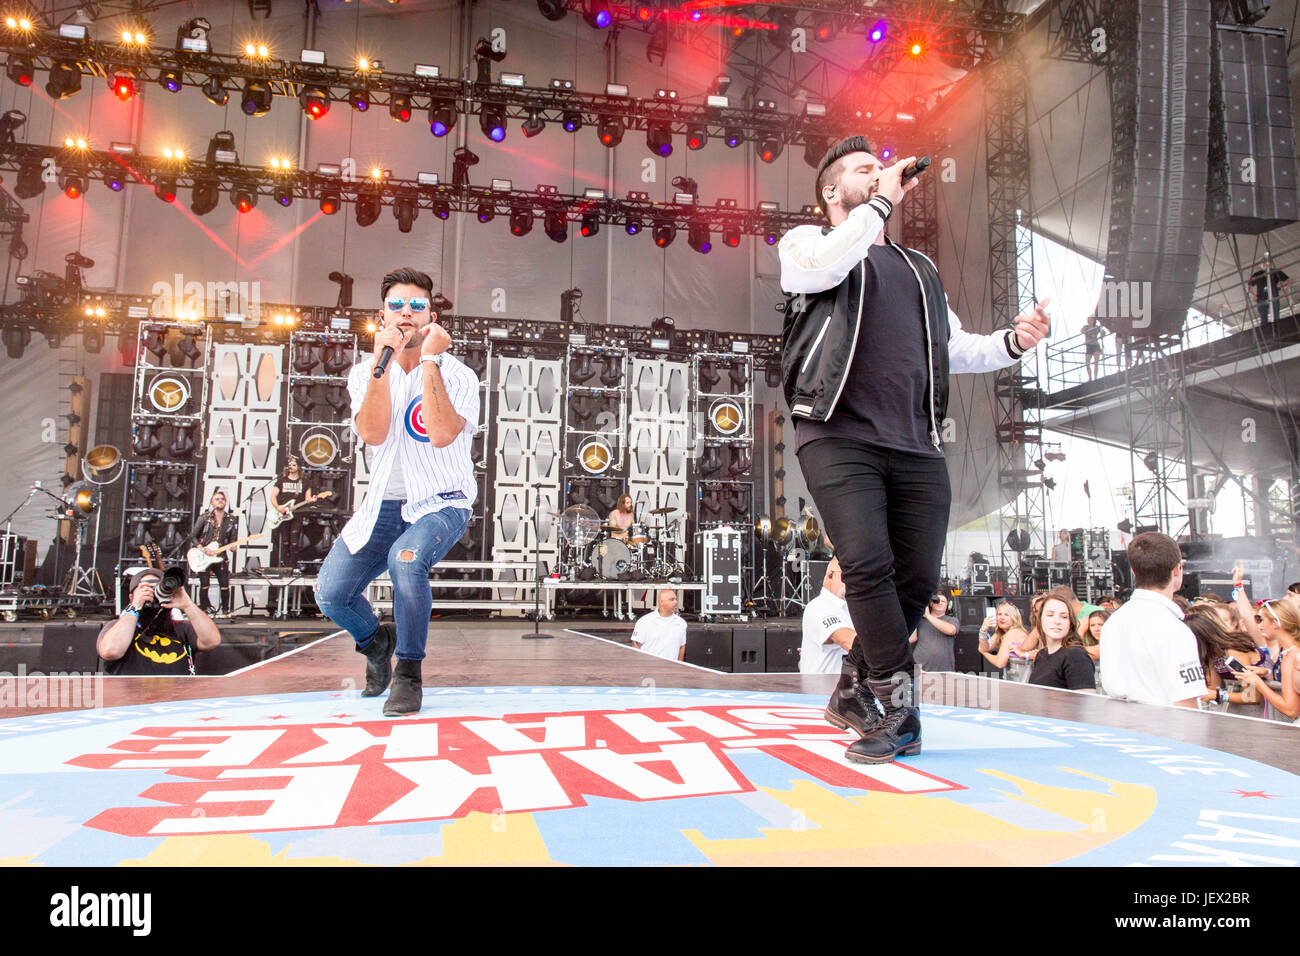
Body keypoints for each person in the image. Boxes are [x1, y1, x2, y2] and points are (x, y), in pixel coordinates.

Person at [779, 135, 1051, 763]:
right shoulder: (805, 245)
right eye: (863, 171)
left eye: (881, 169)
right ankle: (899, 710)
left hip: (915, 439)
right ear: (831, 191)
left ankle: (851, 686)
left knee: (919, 576)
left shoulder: (920, 267)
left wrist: (1014, 341)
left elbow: (955, 347)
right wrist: (878, 205)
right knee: (868, 565)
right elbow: (823, 268)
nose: (878, 175)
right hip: (836, 429)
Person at [313, 267, 479, 717]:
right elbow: (372, 432)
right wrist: (380, 368)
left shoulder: (460, 375)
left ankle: (408, 672)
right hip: (384, 504)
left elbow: (443, 433)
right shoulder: (366, 372)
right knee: (330, 594)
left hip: (442, 501)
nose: (407, 314)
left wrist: (428, 361)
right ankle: (375, 641)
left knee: (405, 561)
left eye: (417, 306)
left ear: (432, 316)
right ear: (381, 314)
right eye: (397, 306)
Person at [1098, 532, 1207, 708]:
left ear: (1133, 571)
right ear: (1177, 569)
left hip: (1120, 727)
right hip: (1165, 731)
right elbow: (1186, 707)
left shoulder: (1113, 622)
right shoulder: (1174, 630)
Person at [96, 568, 221, 674]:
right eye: (146, 588)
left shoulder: (182, 628)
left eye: (156, 588)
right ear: (131, 597)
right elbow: (110, 651)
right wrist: (135, 605)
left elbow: (212, 641)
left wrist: (188, 605)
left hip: (176, 699)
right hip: (135, 699)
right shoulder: (116, 627)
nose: (152, 594)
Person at [1230, 600, 1300, 721]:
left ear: (1275, 623)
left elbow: (1291, 709)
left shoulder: (1293, 655)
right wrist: (1267, 673)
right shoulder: (1287, 652)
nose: (1258, 625)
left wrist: (1258, 683)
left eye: (1260, 619)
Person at [1026, 594, 1096, 692]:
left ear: (1070, 622)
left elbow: (1086, 702)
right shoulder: (1041, 655)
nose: (1057, 621)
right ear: (1040, 619)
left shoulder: (1075, 655)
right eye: (1050, 615)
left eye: (1064, 617)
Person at [801, 558, 855, 675]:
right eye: (846, 574)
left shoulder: (852, 606)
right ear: (830, 575)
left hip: (844, 688)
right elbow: (849, 641)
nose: (852, 580)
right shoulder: (819, 607)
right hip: (822, 690)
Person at [190, 488, 239, 617]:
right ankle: (204, 609)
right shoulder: (204, 518)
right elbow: (193, 536)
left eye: (222, 499)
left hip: (221, 556)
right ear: (212, 503)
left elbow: (233, 540)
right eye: (217, 499)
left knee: (224, 583)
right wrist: (202, 548)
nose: (220, 501)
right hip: (205, 555)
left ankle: (226, 611)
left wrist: (233, 547)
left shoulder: (232, 519)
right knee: (204, 584)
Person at [268, 456, 317, 568]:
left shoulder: (305, 482)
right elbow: (273, 496)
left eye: (294, 464)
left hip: (296, 515)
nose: (291, 466)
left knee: (294, 541)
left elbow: (307, 498)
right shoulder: (281, 480)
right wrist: (278, 507)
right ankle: (285, 566)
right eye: (290, 464)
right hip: (283, 515)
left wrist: (311, 500)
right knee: (285, 541)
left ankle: (293, 566)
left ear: (299, 467)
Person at [630, 588, 686, 661]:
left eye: (676, 599)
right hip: (649, 669)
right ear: (661, 602)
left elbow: (682, 646)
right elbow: (635, 646)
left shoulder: (681, 623)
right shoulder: (644, 622)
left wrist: (679, 667)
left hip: (671, 670)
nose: (676, 602)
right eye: (672, 599)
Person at [979, 598, 1035, 670]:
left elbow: (1000, 663)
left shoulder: (1013, 632)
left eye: (1006, 615)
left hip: (1022, 677)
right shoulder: (1001, 632)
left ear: (1014, 618)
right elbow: (985, 647)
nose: (1002, 618)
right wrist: (983, 631)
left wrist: (984, 653)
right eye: (999, 614)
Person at [909, 591, 959, 672]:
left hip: (943, 669)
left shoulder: (951, 620)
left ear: (947, 605)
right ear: (931, 604)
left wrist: (928, 616)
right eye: (937, 600)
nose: (940, 603)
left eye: (943, 601)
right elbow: (911, 639)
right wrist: (915, 615)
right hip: (920, 669)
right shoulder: (920, 620)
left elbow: (950, 630)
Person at [1249, 257, 1290, 324]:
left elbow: (1288, 280)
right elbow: (1249, 286)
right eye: (1263, 263)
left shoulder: (1276, 271)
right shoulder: (1257, 274)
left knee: (1276, 317)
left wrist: (1279, 285)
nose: (1264, 265)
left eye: (1266, 263)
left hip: (1274, 296)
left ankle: (1277, 329)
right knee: (1263, 318)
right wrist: (1253, 295)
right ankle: (1266, 330)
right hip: (1261, 298)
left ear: (1270, 263)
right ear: (1261, 265)